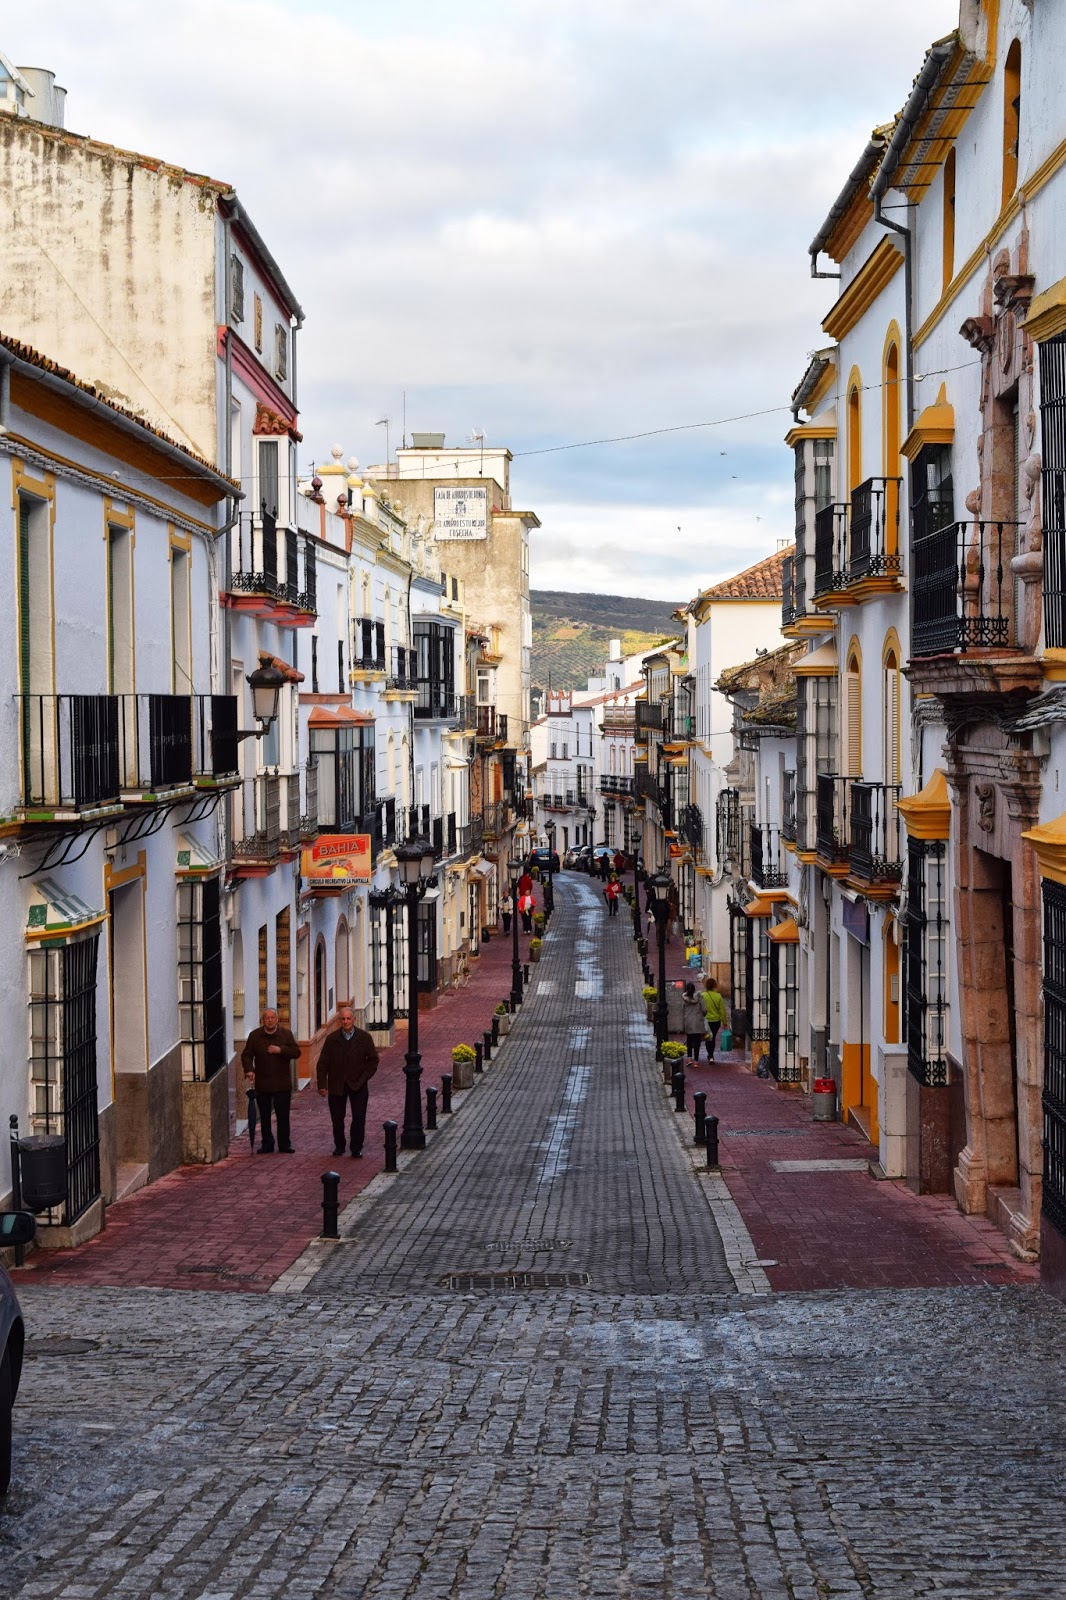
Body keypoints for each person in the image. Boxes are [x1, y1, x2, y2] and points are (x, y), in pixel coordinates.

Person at [316, 1006, 380, 1157]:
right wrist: (322, 1085)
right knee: (337, 1118)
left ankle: (356, 1147)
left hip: (358, 1084)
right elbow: (322, 1064)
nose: (346, 1021)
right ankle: (339, 1145)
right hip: (337, 1084)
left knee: (359, 1117)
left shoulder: (364, 1038)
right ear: (339, 1021)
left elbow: (373, 1060)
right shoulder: (332, 1039)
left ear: (354, 1019)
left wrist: (364, 1077)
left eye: (348, 1018)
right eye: (343, 1019)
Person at [242, 1008, 302, 1153]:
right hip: (263, 1084)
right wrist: (249, 1069)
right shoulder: (255, 1036)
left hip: (282, 1084)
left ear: (277, 1019)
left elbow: (296, 1052)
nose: (269, 1020)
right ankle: (267, 1144)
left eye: (272, 1017)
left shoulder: (286, 1035)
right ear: (262, 1020)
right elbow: (247, 1054)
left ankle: (284, 1144)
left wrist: (280, 1050)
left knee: (283, 1116)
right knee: (264, 1116)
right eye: (266, 1018)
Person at [702, 977, 729, 1059]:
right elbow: (722, 1011)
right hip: (716, 1021)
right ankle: (711, 1055)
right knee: (713, 1037)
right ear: (714, 985)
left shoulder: (703, 995)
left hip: (706, 1020)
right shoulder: (718, 996)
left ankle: (709, 1054)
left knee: (707, 1037)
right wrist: (724, 1023)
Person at [682, 982, 707, 1060]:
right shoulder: (699, 997)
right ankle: (696, 1060)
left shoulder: (684, 998)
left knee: (689, 1039)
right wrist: (702, 1014)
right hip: (697, 1022)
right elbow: (704, 1010)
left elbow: (682, 1011)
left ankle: (689, 1058)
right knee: (697, 1041)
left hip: (688, 1022)